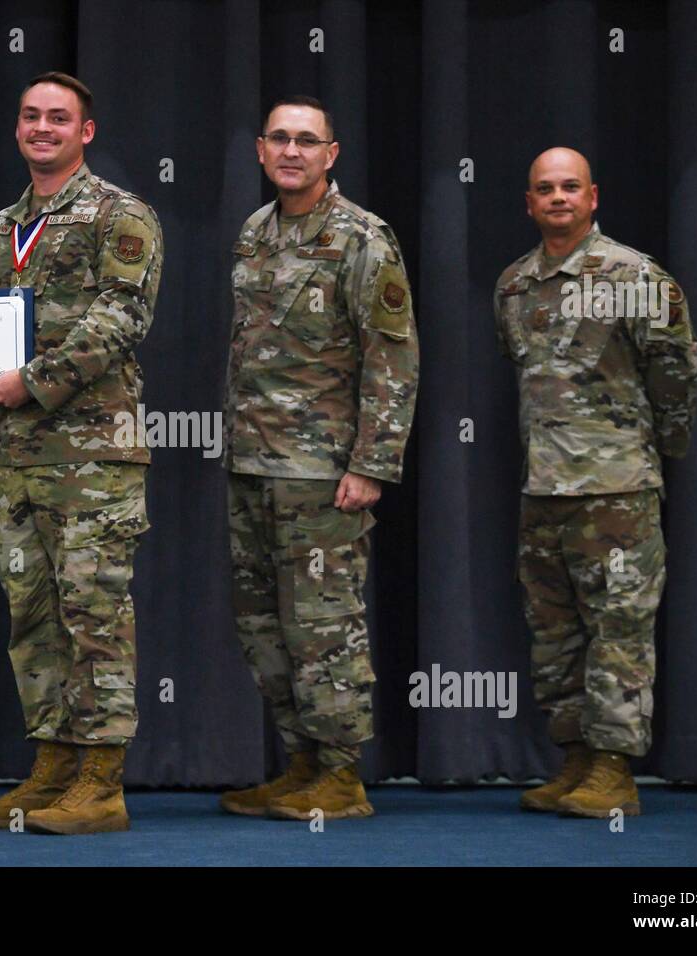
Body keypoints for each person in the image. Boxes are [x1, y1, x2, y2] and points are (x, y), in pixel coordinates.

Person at [0, 72, 163, 835]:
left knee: (95, 616)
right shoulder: (4, 226)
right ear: (17, 129)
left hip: (94, 459)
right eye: (32, 116)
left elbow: (120, 320)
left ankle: (102, 784)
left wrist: (28, 382)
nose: (44, 128)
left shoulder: (121, 214)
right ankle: (53, 768)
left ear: (86, 132)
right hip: (18, 462)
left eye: (59, 118)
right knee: (33, 621)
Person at [218, 96, 419, 821]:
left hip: (323, 472)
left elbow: (392, 358)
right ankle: (300, 763)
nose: (292, 151)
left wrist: (371, 463)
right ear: (261, 151)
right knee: (263, 626)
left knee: (323, 626)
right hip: (251, 462)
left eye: (308, 141)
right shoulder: (254, 232)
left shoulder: (363, 238)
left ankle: (340, 773)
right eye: (279, 138)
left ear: (331, 155)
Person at [495, 147, 697, 817]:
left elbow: (676, 371)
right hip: (542, 486)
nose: (557, 197)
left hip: (616, 486)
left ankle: (614, 769)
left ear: (593, 197)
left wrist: (655, 449)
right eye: (544, 188)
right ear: (529, 202)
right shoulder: (514, 284)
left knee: (618, 629)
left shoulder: (634, 275)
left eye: (570, 187)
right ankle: (576, 759)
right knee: (555, 632)